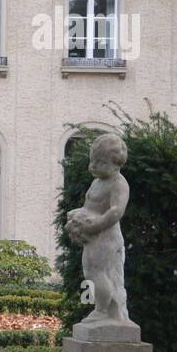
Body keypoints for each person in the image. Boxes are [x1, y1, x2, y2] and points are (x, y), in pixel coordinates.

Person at [65, 133, 130, 324]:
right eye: (92, 161)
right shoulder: (97, 182)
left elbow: (116, 211)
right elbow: (91, 206)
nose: (93, 166)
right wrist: (76, 214)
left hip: (105, 237)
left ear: (116, 163)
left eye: (100, 163)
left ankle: (104, 310)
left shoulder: (119, 184)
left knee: (98, 273)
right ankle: (104, 308)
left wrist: (97, 224)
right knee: (90, 272)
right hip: (92, 237)